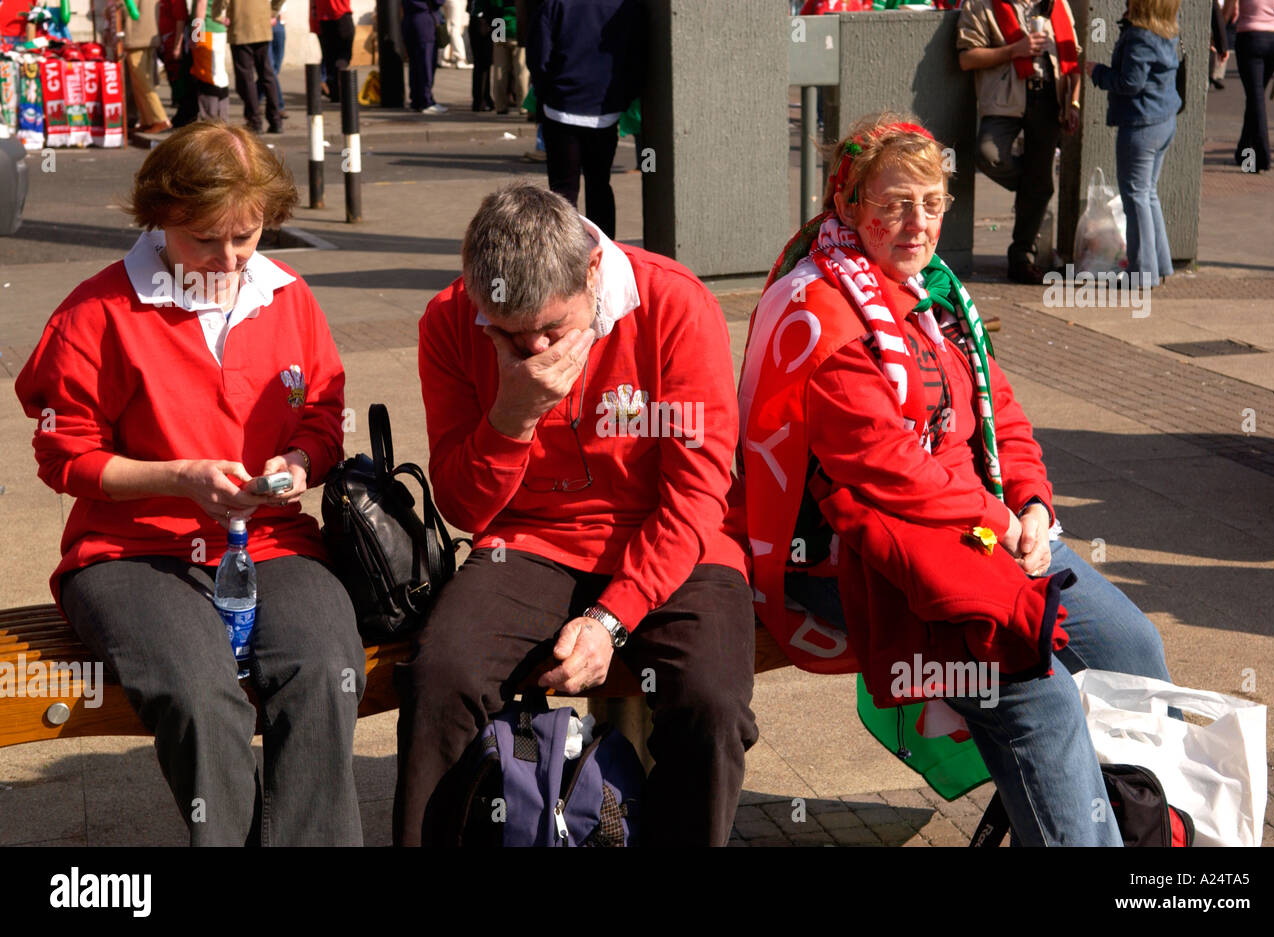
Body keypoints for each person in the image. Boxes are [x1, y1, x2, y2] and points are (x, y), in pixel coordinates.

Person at [739, 114, 1174, 846]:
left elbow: (1000, 411)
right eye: (894, 203)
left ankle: (1148, 827)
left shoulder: (936, 294)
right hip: (867, 556)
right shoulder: (820, 308)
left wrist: (1032, 502)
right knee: (1039, 693)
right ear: (848, 205)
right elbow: (884, 465)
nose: (917, 223)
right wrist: (1001, 525)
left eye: (933, 203)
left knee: (1132, 648)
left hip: (983, 530)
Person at [14, 121, 365, 846]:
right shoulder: (97, 312)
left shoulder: (288, 295)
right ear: (160, 217)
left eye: (248, 236)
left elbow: (325, 414)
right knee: (199, 697)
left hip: (270, 540)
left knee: (326, 667)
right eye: (206, 238)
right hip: (130, 551)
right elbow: (63, 456)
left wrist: (300, 461)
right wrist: (178, 478)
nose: (230, 258)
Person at [395, 181, 757, 847]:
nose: (533, 352)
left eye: (552, 329)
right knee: (439, 677)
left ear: (592, 271)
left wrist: (610, 618)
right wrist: (513, 416)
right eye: (507, 333)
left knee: (712, 703)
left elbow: (698, 491)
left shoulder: (675, 304)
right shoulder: (449, 319)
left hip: (679, 539)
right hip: (530, 541)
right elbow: (460, 503)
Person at [957, 0, 1082, 283]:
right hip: (1004, 101)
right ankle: (1034, 188)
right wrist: (1015, 50)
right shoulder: (981, 5)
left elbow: (1071, 57)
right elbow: (967, 58)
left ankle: (1022, 257)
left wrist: (1073, 103)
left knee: (1039, 181)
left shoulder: (1056, 4)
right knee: (989, 154)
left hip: (1049, 99)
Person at [527, 0, 646, 239]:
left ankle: (563, 259)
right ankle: (604, 254)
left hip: (561, 109)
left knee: (562, 193)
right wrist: (620, 98)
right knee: (600, 187)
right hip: (605, 111)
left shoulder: (554, 4)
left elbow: (539, 57)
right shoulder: (626, 5)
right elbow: (637, 59)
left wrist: (547, 93)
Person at [1085, 0, 1182, 288]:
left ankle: (1142, 273)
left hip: (1141, 123)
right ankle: (1159, 264)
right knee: (1147, 194)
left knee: (1136, 197)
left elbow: (1130, 82)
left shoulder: (1140, 35)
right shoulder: (1165, 29)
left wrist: (1096, 72)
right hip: (1164, 119)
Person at [1223, 0, 1274, 171]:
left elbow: (1227, 12)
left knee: (1255, 98)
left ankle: (1260, 157)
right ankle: (1243, 150)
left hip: (1250, 38)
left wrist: (1217, 38)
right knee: (1254, 98)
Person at [115, 0, 172, 135]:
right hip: (149, 32)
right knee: (141, 82)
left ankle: (160, 119)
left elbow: (124, 7)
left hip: (136, 33)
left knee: (142, 82)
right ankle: (147, 120)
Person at [228, 0, 284, 133]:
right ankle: (275, 120)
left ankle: (254, 120)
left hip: (240, 26)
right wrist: (272, 12)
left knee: (246, 77)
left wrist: (217, 15)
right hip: (261, 25)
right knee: (267, 74)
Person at [402, 0, 449, 114]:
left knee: (415, 65)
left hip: (409, 21)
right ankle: (426, 101)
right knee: (426, 64)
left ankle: (416, 100)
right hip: (424, 22)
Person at [314, 0, 355, 103]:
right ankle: (341, 89)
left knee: (329, 57)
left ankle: (335, 93)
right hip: (341, 16)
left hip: (324, 18)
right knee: (344, 55)